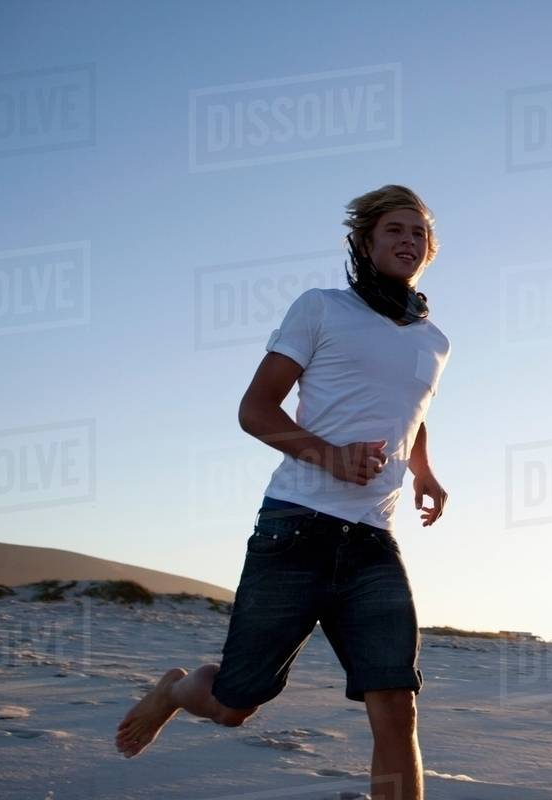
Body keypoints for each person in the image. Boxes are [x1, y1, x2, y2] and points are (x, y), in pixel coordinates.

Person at [115, 185, 450, 800]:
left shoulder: (434, 342)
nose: (408, 241)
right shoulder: (321, 308)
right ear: (366, 242)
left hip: (374, 542)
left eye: (419, 234)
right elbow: (255, 409)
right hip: (295, 529)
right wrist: (330, 455)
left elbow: (411, 408)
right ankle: (177, 690)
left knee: (396, 705)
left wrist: (423, 469)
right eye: (395, 231)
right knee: (232, 704)